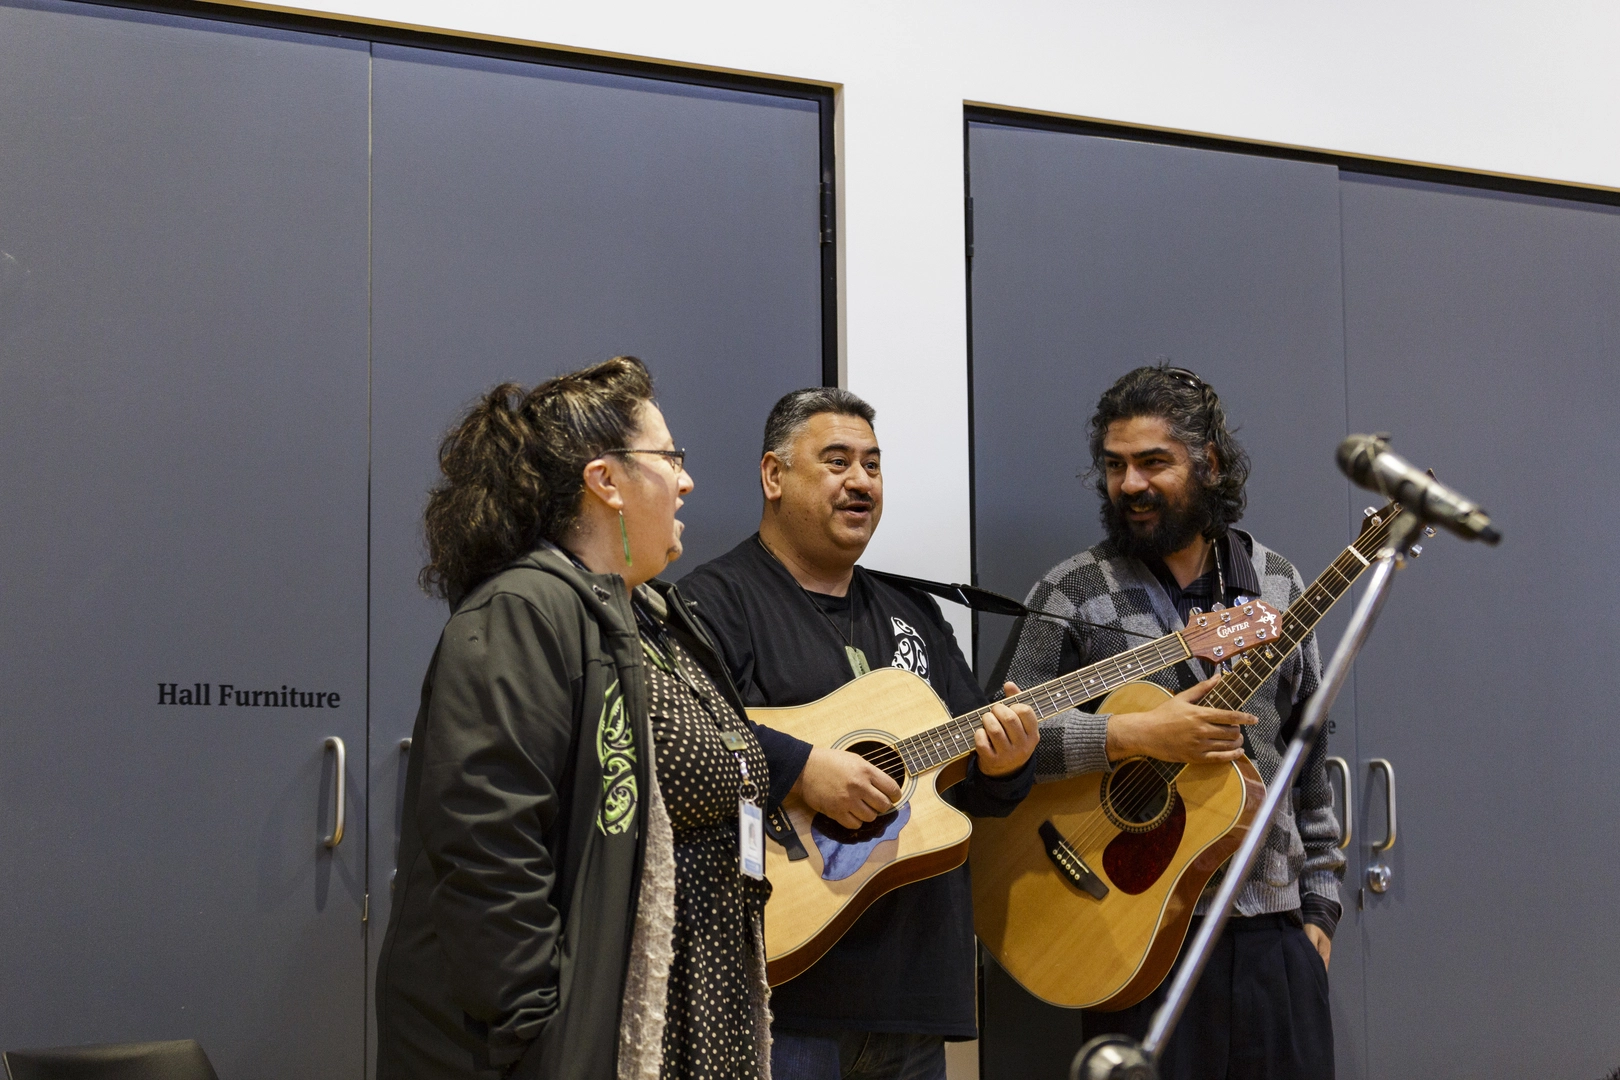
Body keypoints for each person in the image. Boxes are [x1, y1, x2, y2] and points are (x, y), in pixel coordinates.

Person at [376, 356, 773, 1080]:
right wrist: (546, 1031)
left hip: (693, 1029)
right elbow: (488, 846)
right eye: (669, 458)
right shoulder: (523, 610)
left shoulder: (655, 616)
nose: (685, 482)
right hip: (574, 1050)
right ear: (606, 482)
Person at [680, 387, 1040, 1080]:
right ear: (773, 476)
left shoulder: (916, 615)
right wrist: (802, 768)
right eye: (837, 461)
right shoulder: (713, 601)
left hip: (911, 996)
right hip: (786, 995)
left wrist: (1006, 764)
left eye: (873, 466)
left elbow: (963, 791)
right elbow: (684, 731)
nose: (861, 482)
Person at [998, 364, 1345, 1079]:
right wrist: (1125, 737)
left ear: (1209, 463)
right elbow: (1000, 752)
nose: (1130, 485)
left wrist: (1319, 912)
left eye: (1153, 463)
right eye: (1115, 466)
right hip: (1131, 934)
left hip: (1273, 935)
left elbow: (1310, 758)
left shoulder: (1278, 586)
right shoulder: (1071, 593)